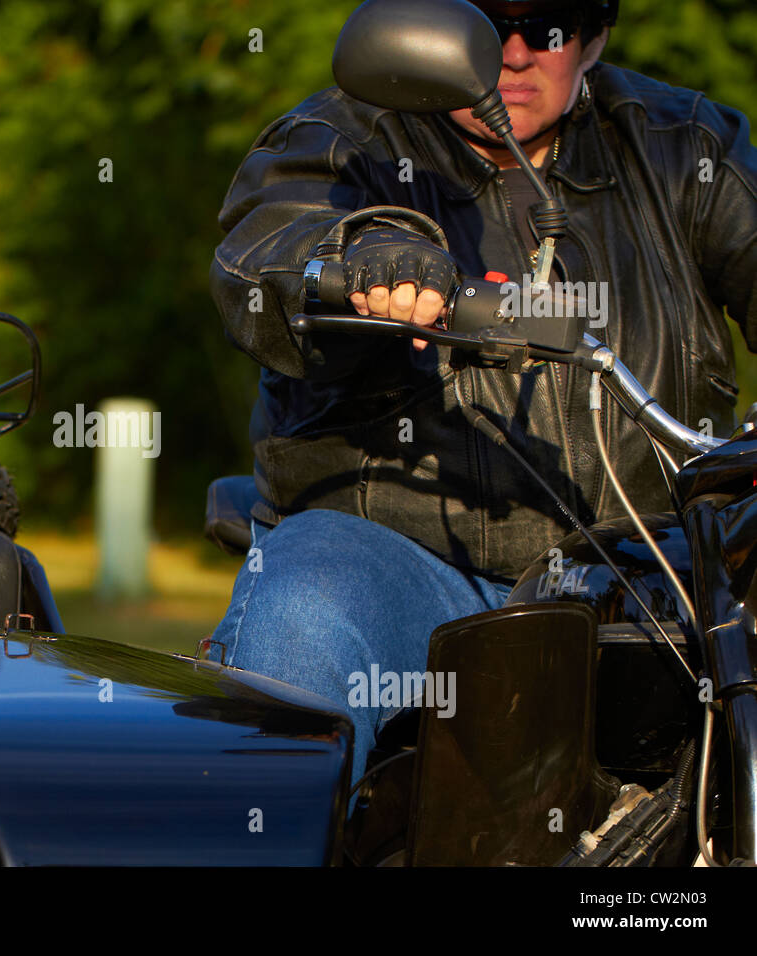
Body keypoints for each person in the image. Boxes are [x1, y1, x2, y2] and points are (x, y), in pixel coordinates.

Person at [207, 0, 757, 784]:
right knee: (306, 605)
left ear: (594, 36)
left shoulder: (684, 146)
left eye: (548, 26)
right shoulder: (343, 142)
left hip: (647, 573)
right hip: (398, 555)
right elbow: (264, 254)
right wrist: (365, 252)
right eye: (487, 23)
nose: (515, 53)